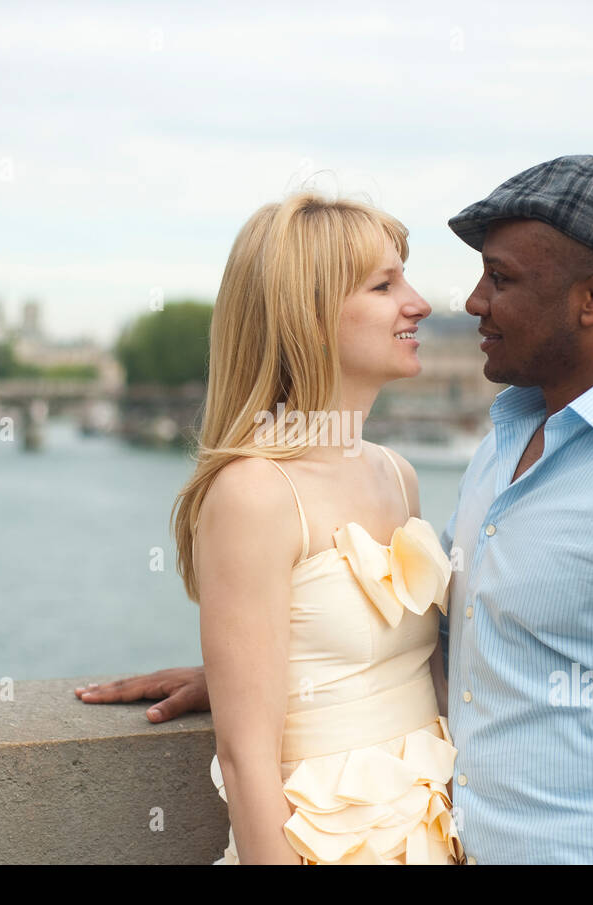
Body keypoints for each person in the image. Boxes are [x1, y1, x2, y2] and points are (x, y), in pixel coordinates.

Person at [77, 156, 593, 865]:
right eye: (387, 284)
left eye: (501, 278)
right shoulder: (499, 451)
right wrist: (256, 677)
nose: (464, 301)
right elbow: (449, 634)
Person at [89, 191, 465, 865]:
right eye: (385, 285)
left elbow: (423, 676)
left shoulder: (398, 474)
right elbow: (245, 759)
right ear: (312, 319)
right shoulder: (255, 492)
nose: (419, 302)